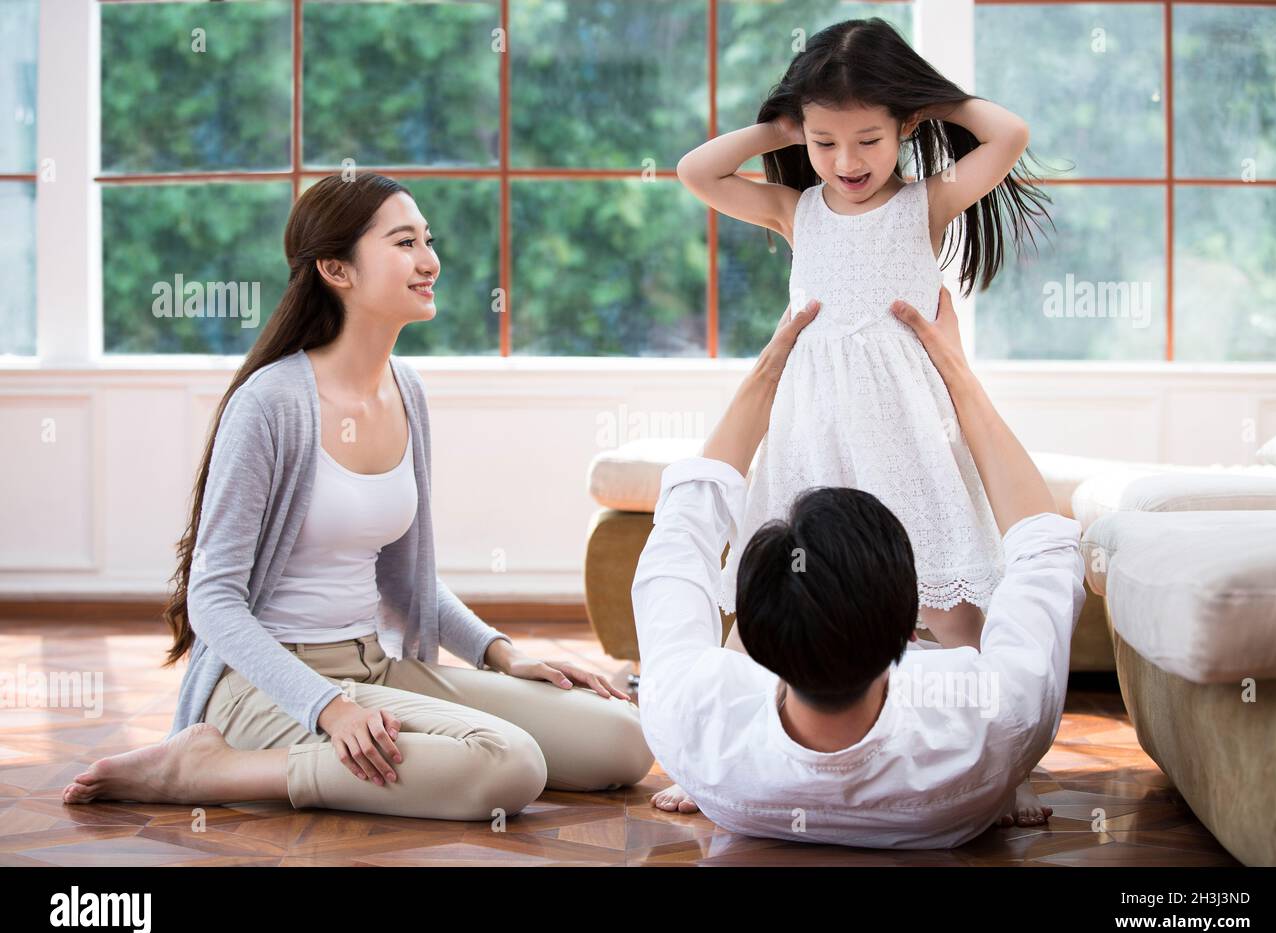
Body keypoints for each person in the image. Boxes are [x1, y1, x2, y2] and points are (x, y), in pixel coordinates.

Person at [63, 172, 653, 819]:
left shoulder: (407, 391)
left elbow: (405, 581)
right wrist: (327, 708)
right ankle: (208, 769)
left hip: (373, 667)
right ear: (336, 269)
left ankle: (306, 752)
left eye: (427, 240)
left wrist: (501, 653)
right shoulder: (270, 404)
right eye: (403, 243)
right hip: (269, 684)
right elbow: (212, 598)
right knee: (507, 765)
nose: (429, 261)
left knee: (621, 742)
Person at [671, 16, 1056, 816]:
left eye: (870, 140)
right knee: (766, 604)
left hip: (905, 433)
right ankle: (713, 757)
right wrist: (779, 125)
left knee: (949, 608)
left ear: (906, 128)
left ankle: (999, 767)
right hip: (812, 429)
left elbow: (1009, 133)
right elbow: (697, 172)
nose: (846, 163)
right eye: (823, 142)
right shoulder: (795, 208)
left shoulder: (928, 202)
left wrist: (934, 100)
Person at [631, 284, 1086, 848]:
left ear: (756, 643)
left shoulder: (692, 715)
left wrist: (769, 370)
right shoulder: (990, 715)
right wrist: (957, 374)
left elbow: (679, 539)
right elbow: (1045, 549)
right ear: (910, 624)